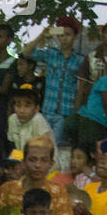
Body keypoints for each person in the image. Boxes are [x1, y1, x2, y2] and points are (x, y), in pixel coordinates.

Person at [23, 17, 86, 154]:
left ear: (75, 36)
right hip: (47, 110)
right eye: (61, 35)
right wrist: (42, 35)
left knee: (54, 149)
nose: (64, 38)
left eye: (68, 35)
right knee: (41, 147)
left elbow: (81, 87)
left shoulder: (80, 60)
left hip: (65, 113)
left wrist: (75, 112)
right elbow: (26, 52)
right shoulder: (51, 54)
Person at [0, 135, 74, 215]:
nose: (37, 165)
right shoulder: (8, 189)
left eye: (43, 160)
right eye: (32, 159)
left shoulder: (58, 191)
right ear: (23, 162)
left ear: (51, 163)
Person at [65, 52, 107, 151]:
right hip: (94, 122)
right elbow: (106, 103)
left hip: (92, 121)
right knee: (89, 152)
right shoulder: (106, 80)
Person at [6, 84, 53, 153]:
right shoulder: (12, 119)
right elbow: (12, 145)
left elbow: (43, 151)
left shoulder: (38, 120)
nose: (21, 111)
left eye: (27, 106)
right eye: (18, 105)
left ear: (37, 108)